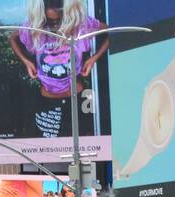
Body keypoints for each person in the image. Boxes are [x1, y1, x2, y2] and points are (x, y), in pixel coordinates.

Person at [8, 1, 109, 140]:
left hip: (77, 99)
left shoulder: (81, 25)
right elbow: (13, 38)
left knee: (85, 149)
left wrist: (93, 59)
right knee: (50, 152)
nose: (55, 25)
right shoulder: (33, 28)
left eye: (59, 20)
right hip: (46, 102)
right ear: (42, 17)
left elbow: (110, 32)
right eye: (49, 21)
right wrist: (26, 61)